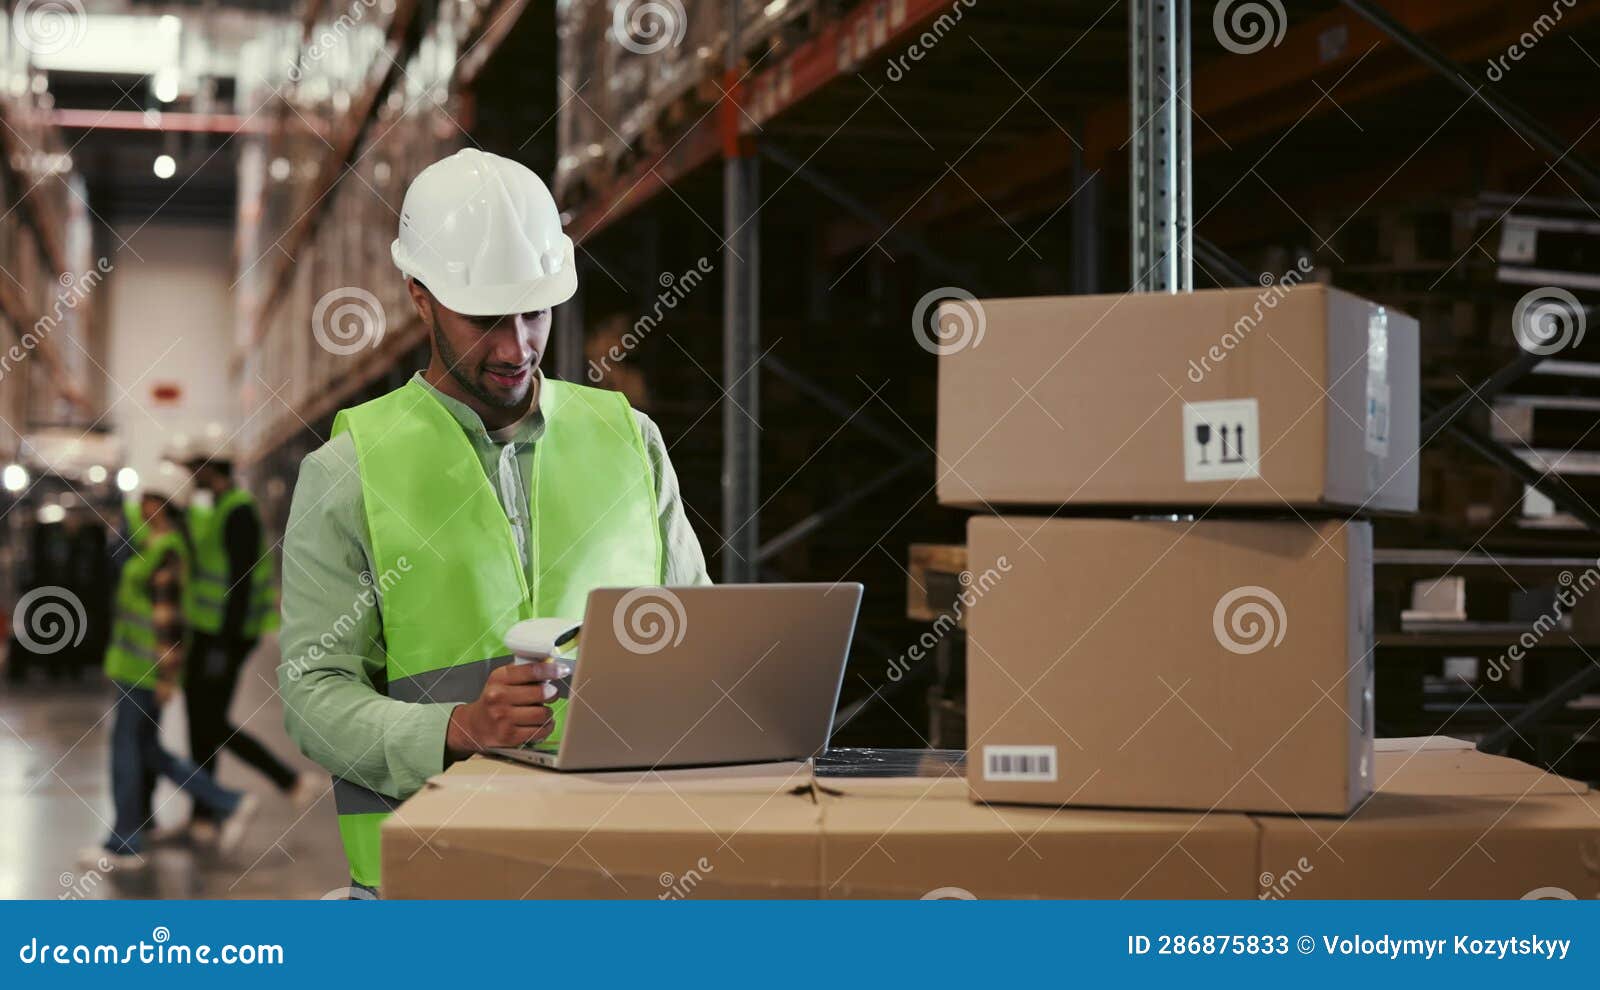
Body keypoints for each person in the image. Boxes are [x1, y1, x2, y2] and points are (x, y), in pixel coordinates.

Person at [278, 148, 710, 893]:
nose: (517, 347)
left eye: (535, 312)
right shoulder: (348, 472)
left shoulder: (629, 439)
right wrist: (457, 728)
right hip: (432, 884)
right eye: (485, 320)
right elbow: (313, 694)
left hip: (615, 875)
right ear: (420, 297)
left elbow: (695, 636)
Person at [82, 479, 258, 870]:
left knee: (127, 752)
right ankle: (228, 802)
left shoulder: (165, 553)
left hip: (143, 671)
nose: (141, 507)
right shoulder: (154, 546)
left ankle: (125, 844)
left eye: (149, 500)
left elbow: (169, 620)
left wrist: (166, 676)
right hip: (134, 667)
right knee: (148, 751)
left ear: (162, 506)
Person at [179, 440, 317, 840]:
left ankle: (281, 781)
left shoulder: (238, 511)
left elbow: (238, 584)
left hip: (226, 636)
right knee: (201, 720)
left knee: (208, 720)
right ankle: (205, 810)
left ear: (212, 468)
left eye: (196, 467)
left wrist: (225, 645)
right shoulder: (218, 507)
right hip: (209, 631)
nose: (191, 475)